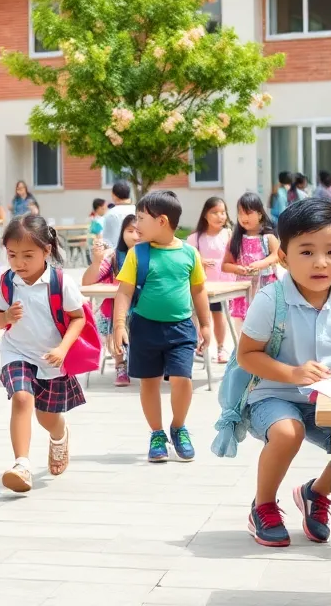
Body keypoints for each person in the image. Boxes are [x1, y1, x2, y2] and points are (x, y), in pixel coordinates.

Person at [240, 197, 331, 548]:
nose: (320, 262)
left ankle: (315, 494)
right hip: (273, 394)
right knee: (289, 433)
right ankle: (263, 505)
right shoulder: (271, 299)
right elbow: (247, 355)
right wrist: (292, 373)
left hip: (329, 398)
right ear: (284, 258)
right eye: (306, 252)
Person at [0, 215, 87, 493]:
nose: (19, 263)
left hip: (50, 358)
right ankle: (22, 465)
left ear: (46, 250)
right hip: (16, 351)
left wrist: (62, 348)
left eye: (28, 255)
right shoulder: (7, 281)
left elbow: (78, 318)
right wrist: (5, 315)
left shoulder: (60, 282)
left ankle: (59, 435)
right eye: (12, 255)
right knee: (21, 398)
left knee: (47, 418)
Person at [112, 190, 213, 464]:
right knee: (149, 383)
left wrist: (205, 325)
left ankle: (178, 427)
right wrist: (119, 325)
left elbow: (199, 291)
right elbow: (123, 292)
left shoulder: (189, 254)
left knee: (182, 378)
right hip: (145, 327)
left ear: (162, 221)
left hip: (180, 328)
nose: (136, 225)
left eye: (141, 218)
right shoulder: (137, 254)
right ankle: (157, 434)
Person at [82, 213, 137, 387]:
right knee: (115, 321)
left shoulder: (152, 255)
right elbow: (87, 282)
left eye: (139, 231)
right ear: (122, 233)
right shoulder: (114, 257)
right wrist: (97, 262)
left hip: (143, 309)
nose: (135, 236)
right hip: (116, 310)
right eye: (130, 231)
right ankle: (120, 364)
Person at [222, 192, 281, 331]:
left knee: (266, 327)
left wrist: (260, 264)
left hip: (266, 289)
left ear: (260, 214)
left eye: (248, 213)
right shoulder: (235, 239)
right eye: (240, 213)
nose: (243, 217)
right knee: (242, 329)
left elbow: (277, 255)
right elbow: (225, 265)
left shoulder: (268, 237)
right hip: (243, 290)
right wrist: (238, 269)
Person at [186, 196, 234, 364]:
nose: (220, 216)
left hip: (223, 285)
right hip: (201, 287)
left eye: (223, 212)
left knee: (219, 315)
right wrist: (200, 261)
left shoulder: (229, 235)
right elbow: (188, 260)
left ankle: (221, 348)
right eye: (215, 212)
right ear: (205, 215)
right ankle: (201, 347)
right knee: (199, 316)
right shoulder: (195, 238)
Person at [99, 179, 137, 248]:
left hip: (118, 255)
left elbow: (107, 241)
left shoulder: (111, 214)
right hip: (136, 253)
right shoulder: (138, 211)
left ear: (114, 195)